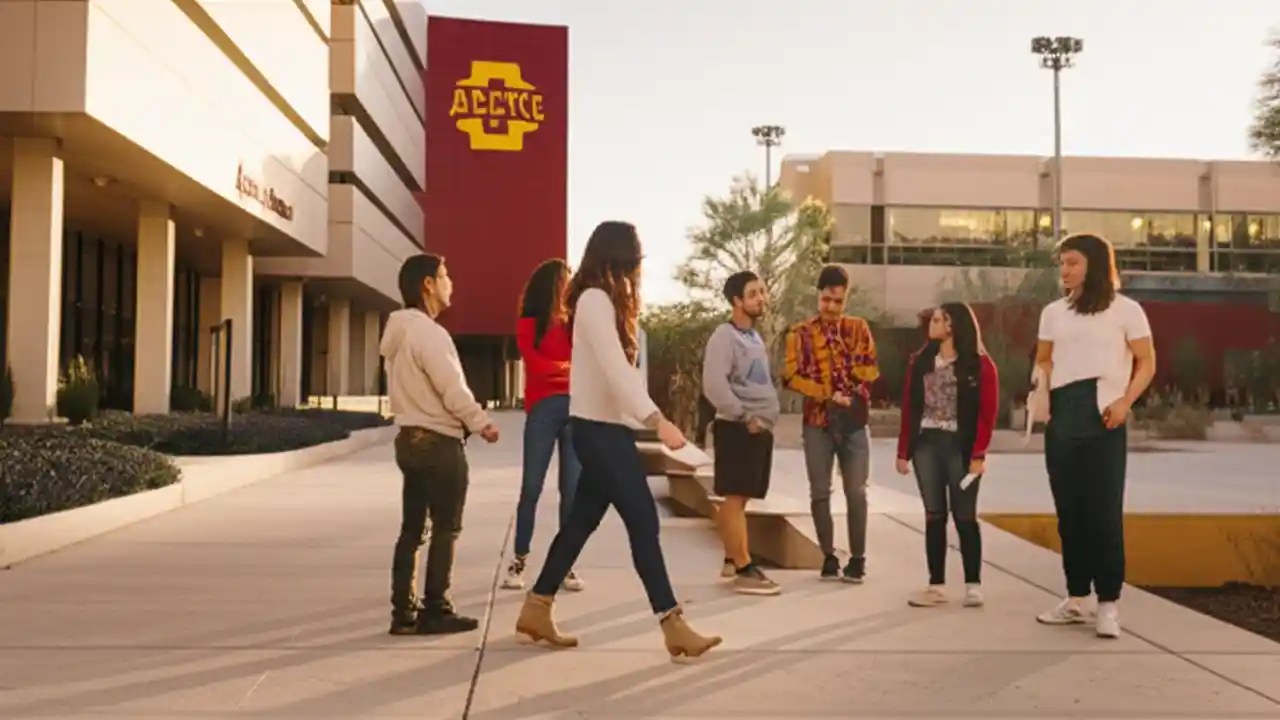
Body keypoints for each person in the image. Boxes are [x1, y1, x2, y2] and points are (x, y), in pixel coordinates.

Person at [515, 220, 723, 662]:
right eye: (634, 263)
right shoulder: (593, 300)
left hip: (603, 430)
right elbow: (614, 369)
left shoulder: (599, 301)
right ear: (618, 261)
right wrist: (657, 420)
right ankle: (673, 625)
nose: (636, 274)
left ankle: (537, 607)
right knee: (644, 523)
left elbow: (616, 376)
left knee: (580, 524)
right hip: (599, 433)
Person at [1033, 233, 1155, 639]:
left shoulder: (1127, 310)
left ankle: (1108, 604)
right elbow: (1044, 361)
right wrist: (1041, 397)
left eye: (1072, 263)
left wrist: (1125, 403)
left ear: (1095, 264)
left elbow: (1147, 363)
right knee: (1070, 512)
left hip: (1104, 411)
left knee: (1104, 511)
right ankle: (1075, 598)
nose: (1064, 271)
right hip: (1063, 412)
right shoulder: (1053, 312)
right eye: (1062, 264)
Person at [380, 253, 500, 636]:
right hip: (438, 441)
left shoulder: (397, 334)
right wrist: (480, 423)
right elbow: (452, 388)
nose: (452, 284)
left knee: (412, 529)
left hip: (408, 440)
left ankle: (403, 613)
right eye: (446, 276)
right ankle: (436, 609)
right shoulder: (429, 333)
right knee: (447, 527)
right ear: (428, 285)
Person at [895, 303, 999, 608]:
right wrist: (904, 451)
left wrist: (978, 453)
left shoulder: (979, 366)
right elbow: (909, 407)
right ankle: (936, 584)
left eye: (939, 319)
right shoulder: (921, 362)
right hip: (927, 445)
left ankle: (973, 584)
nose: (933, 324)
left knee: (965, 515)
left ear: (954, 326)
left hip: (960, 447)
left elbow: (987, 414)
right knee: (934, 515)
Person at [783, 265, 880, 582]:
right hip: (817, 421)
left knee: (857, 491)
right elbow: (790, 376)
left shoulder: (858, 328)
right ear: (818, 296)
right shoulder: (800, 334)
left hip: (852, 420)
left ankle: (858, 558)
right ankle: (827, 555)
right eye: (826, 300)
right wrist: (826, 393)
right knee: (820, 491)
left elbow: (871, 369)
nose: (832, 308)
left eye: (838, 301)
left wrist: (848, 386)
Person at [503, 259, 585, 592]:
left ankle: (565, 566)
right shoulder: (529, 323)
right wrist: (567, 368)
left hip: (576, 412)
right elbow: (538, 367)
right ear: (553, 284)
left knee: (572, 492)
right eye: (565, 280)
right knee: (532, 489)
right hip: (542, 412)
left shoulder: (575, 323)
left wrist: (563, 368)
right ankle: (519, 559)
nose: (569, 286)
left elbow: (583, 365)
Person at [702, 271, 782, 595]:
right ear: (737, 301)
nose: (761, 298)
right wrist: (743, 416)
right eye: (753, 293)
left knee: (741, 498)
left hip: (757, 429)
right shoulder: (725, 336)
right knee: (733, 499)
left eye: (762, 291)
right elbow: (714, 385)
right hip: (738, 429)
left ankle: (730, 559)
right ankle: (745, 568)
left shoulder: (753, 337)